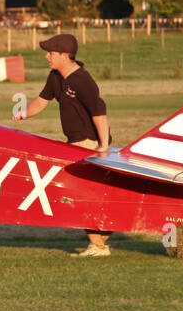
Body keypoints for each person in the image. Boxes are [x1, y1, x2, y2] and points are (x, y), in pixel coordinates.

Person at [12, 33, 113, 257]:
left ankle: (98, 245)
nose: (47, 56)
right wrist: (24, 114)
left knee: (78, 193)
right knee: (85, 193)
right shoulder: (55, 77)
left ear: (66, 56)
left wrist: (103, 144)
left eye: (52, 53)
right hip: (74, 142)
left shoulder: (83, 80)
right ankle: (105, 231)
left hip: (88, 142)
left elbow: (99, 111)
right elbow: (42, 101)